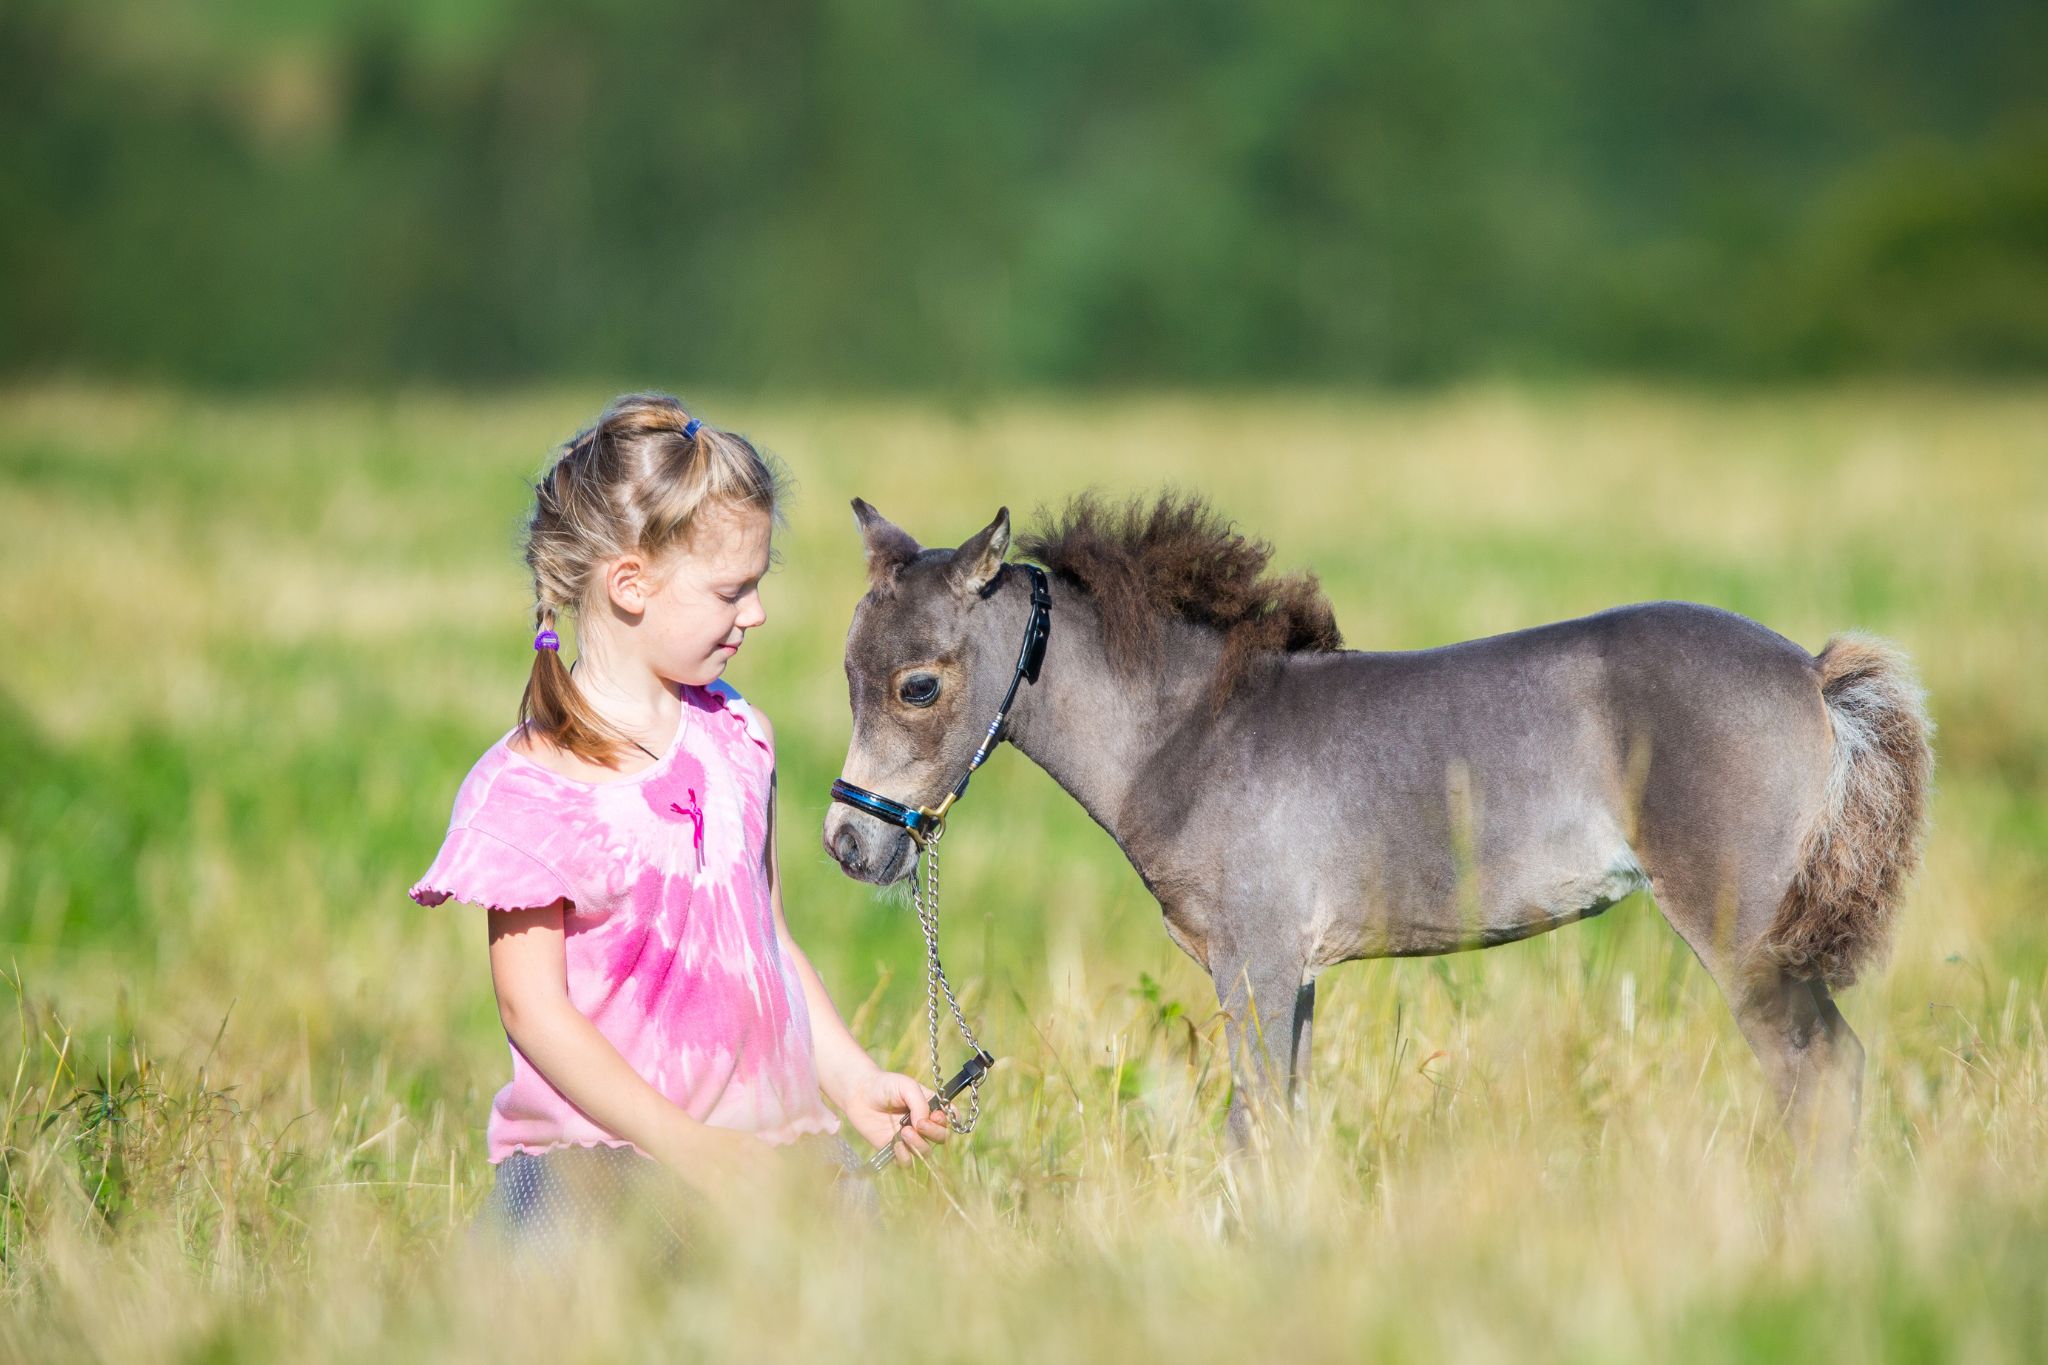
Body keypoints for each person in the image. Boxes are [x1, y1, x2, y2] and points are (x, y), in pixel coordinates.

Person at [410, 393, 947, 1254]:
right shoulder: (527, 789)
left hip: (766, 1152)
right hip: (592, 1170)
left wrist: (850, 1081)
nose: (758, 612)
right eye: (734, 589)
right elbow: (532, 1011)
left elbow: (766, 939)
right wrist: (694, 1152)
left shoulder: (740, 737)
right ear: (630, 584)